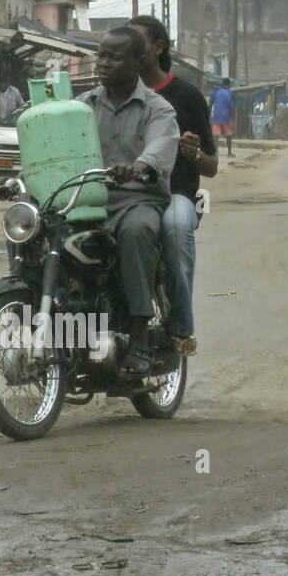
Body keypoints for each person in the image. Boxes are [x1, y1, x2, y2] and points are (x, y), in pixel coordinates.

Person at [74, 27, 179, 377]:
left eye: (115, 57)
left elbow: (161, 146)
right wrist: (18, 175)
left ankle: (139, 338)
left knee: (136, 232)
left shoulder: (157, 108)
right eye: (101, 55)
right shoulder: (81, 106)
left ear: (138, 62)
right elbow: (55, 143)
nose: (104, 63)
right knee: (35, 231)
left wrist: (138, 167)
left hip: (136, 201)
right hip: (85, 199)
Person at [128, 14, 218, 357]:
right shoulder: (110, 95)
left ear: (158, 47)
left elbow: (211, 167)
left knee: (178, 226)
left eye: (137, 44)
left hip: (174, 195)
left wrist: (194, 154)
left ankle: (181, 327)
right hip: (125, 195)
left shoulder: (187, 96)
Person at [211, 77, 235, 157]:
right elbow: (231, 107)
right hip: (226, 117)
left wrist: (208, 114)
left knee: (215, 136)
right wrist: (232, 117)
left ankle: (215, 152)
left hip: (216, 116)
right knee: (228, 135)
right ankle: (229, 152)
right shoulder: (230, 93)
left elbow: (210, 104)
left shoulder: (216, 92)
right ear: (228, 85)